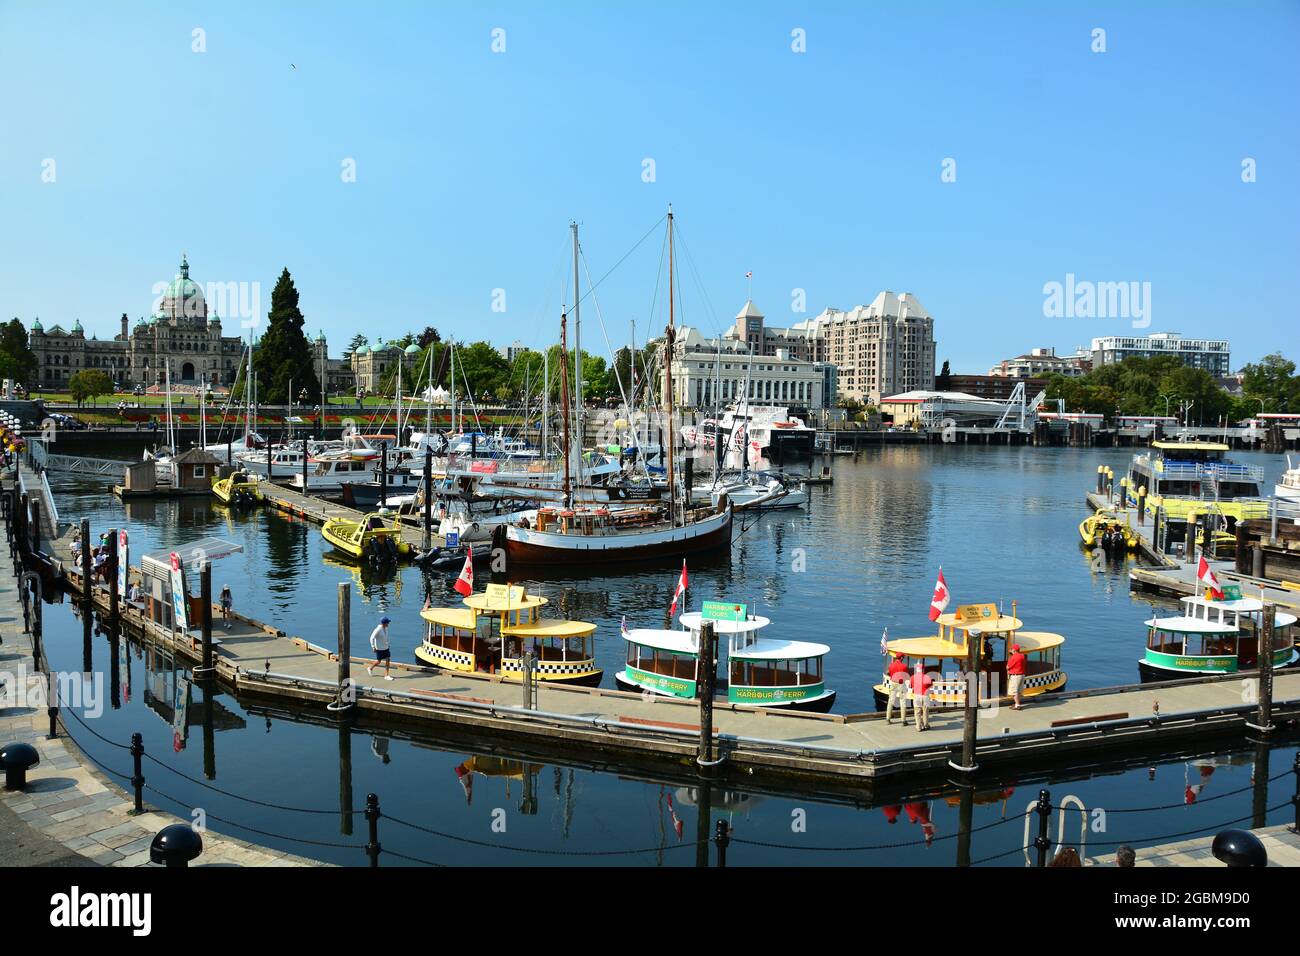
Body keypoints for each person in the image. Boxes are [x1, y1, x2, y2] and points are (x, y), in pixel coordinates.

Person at [368, 616, 393, 680]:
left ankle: (386, 675)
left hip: (386, 647)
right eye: (388, 622)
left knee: (388, 659)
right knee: (379, 661)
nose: (388, 623)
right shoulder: (378, 629)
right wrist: (373, 647)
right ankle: (370, 668)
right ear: (384, 623)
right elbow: (371, 638)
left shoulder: (386, 628)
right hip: (379, 648)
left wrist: (388, 644)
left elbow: (385, 637)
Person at [910, 663, 934, 731]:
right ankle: (926, 725)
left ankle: (918, 727)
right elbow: (930, 686)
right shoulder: (927, 677)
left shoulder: (912, 677)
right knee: (925, 711)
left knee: (917, 711)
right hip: (925, 696)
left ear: (916, 670)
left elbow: (911, 686)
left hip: (916, 696)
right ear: (923, 669)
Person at [1006, 642, 1027, 710]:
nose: (1011, 650)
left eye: (1011, 649)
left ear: (1014, 650)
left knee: (1014, 691)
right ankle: (1016, 703)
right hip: (1022, 675)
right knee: (1018, 691)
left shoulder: (1013, 657)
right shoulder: (1022, 656)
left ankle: (1017, 705)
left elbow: (1008, 667)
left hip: (1015, 676)